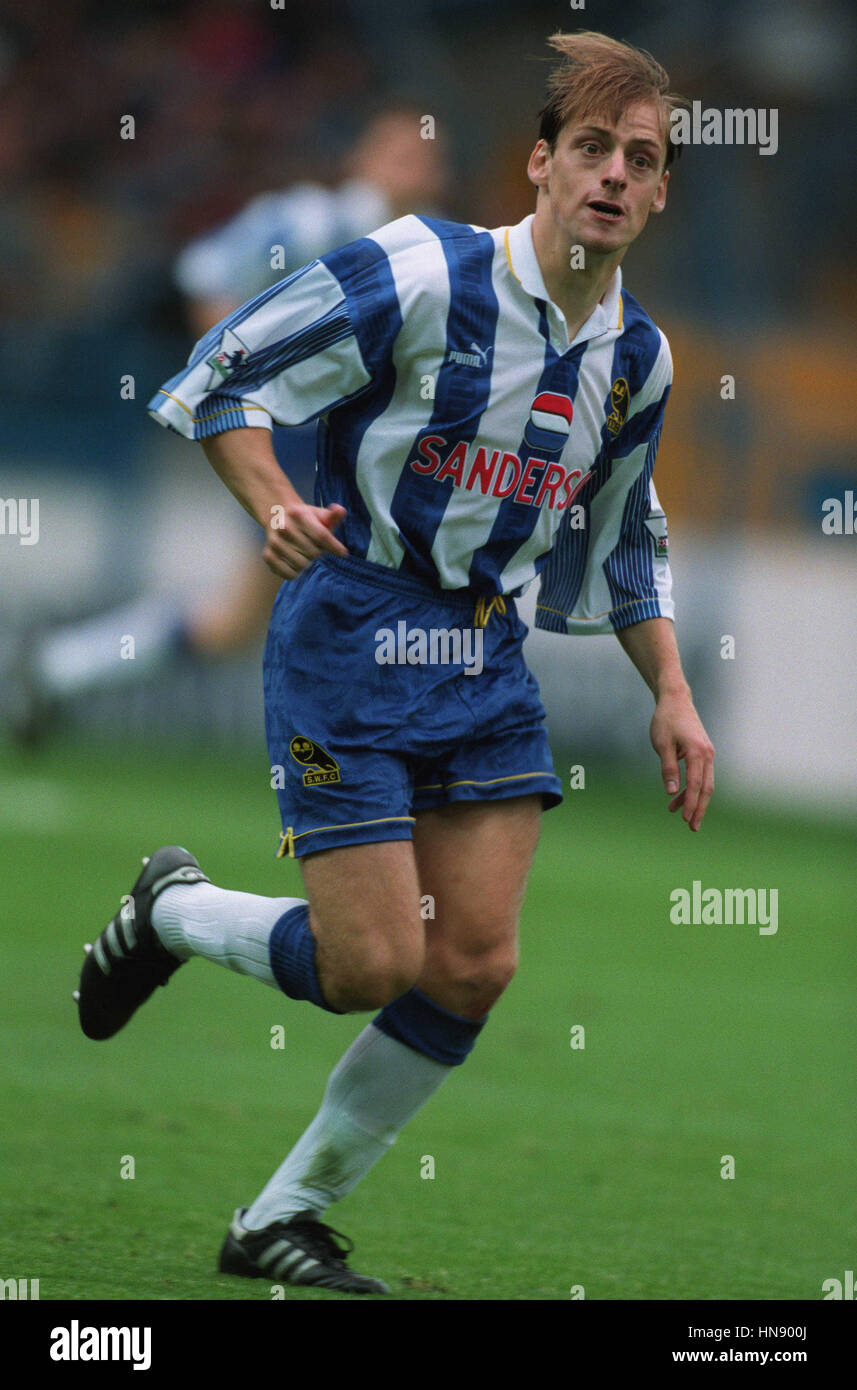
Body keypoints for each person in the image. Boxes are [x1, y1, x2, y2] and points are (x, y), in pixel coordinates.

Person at [76, 31, 715, 1295]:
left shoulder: (637, 362)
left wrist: (675, 694)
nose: (611, 176)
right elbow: (224, 375)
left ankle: (281, 1217)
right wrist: (268, 501)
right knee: (369, 963)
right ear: (538, 165)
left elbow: (622, 539)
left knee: (471, 963)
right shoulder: (420, 269)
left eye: (638, 160)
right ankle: (167, 909)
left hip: (482, 651)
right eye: (590, 148)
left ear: (655, 195)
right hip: (348, 625)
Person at [7, 108, 447, 743]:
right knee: (282, 610)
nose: (422, 163)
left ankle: (59, 669)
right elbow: (207, 273)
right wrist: (238, 379)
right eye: (402, 150)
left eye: (429, 153)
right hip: (303, 444)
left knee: (241, 621)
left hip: (359, 447)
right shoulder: (312, 219)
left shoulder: (431, 245)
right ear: (362, 157)